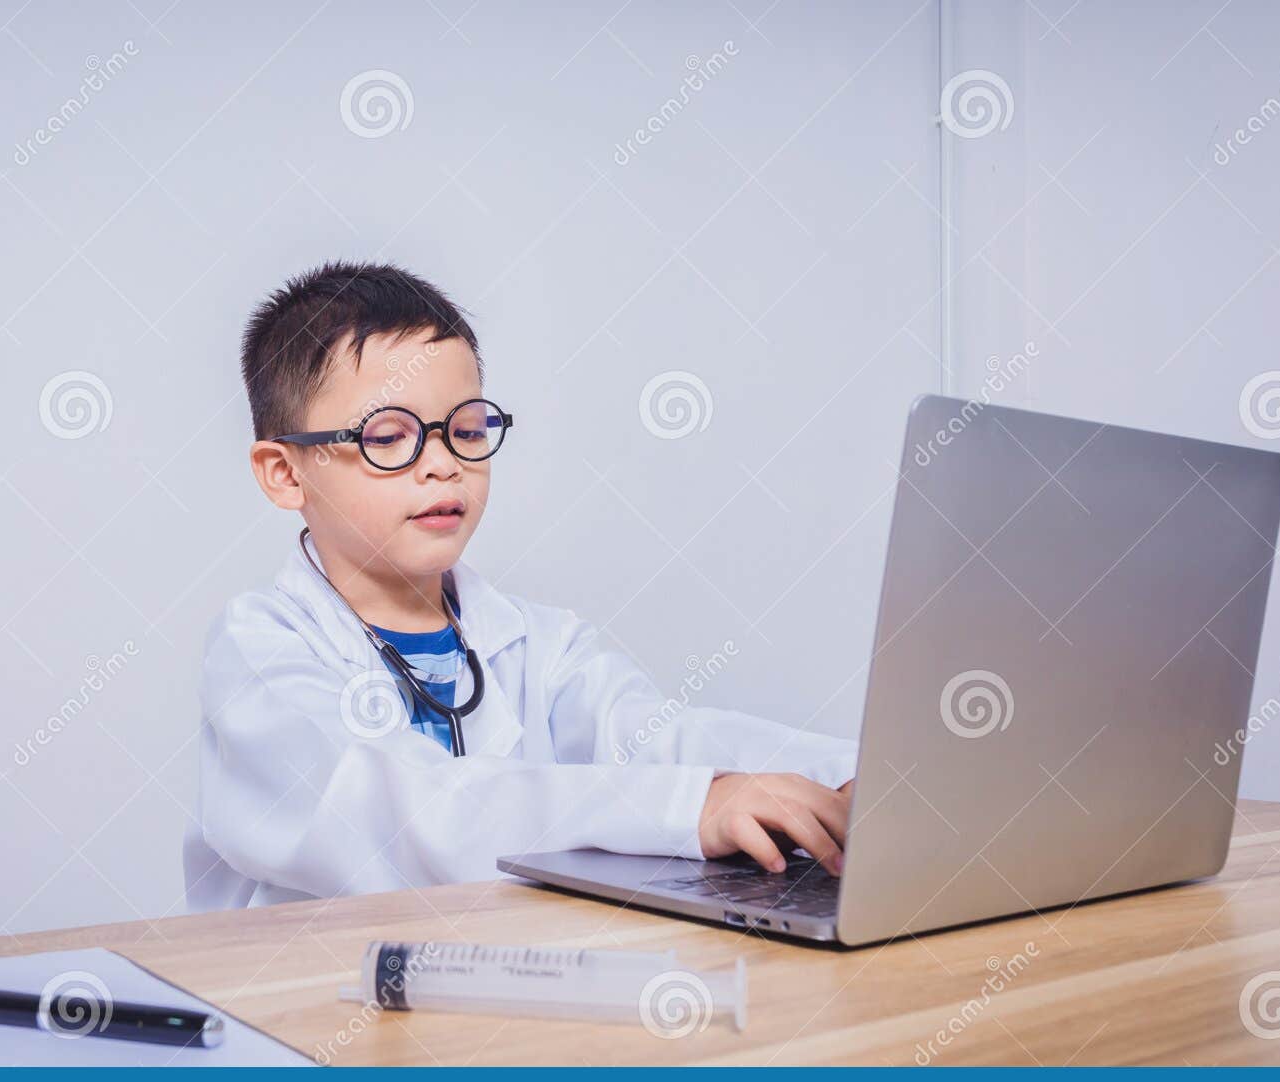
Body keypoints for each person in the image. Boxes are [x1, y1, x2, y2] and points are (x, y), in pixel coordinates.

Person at [183, 260, 856, 909]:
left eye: (466, 429)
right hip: (309, 980)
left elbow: (659, 737)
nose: (443, 464)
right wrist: (690, 806)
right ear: (285, 473)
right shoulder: (259, 653)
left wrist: (851, 776)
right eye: (389, 437)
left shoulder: (541, 644)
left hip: (490, 972)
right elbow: (407, 812)